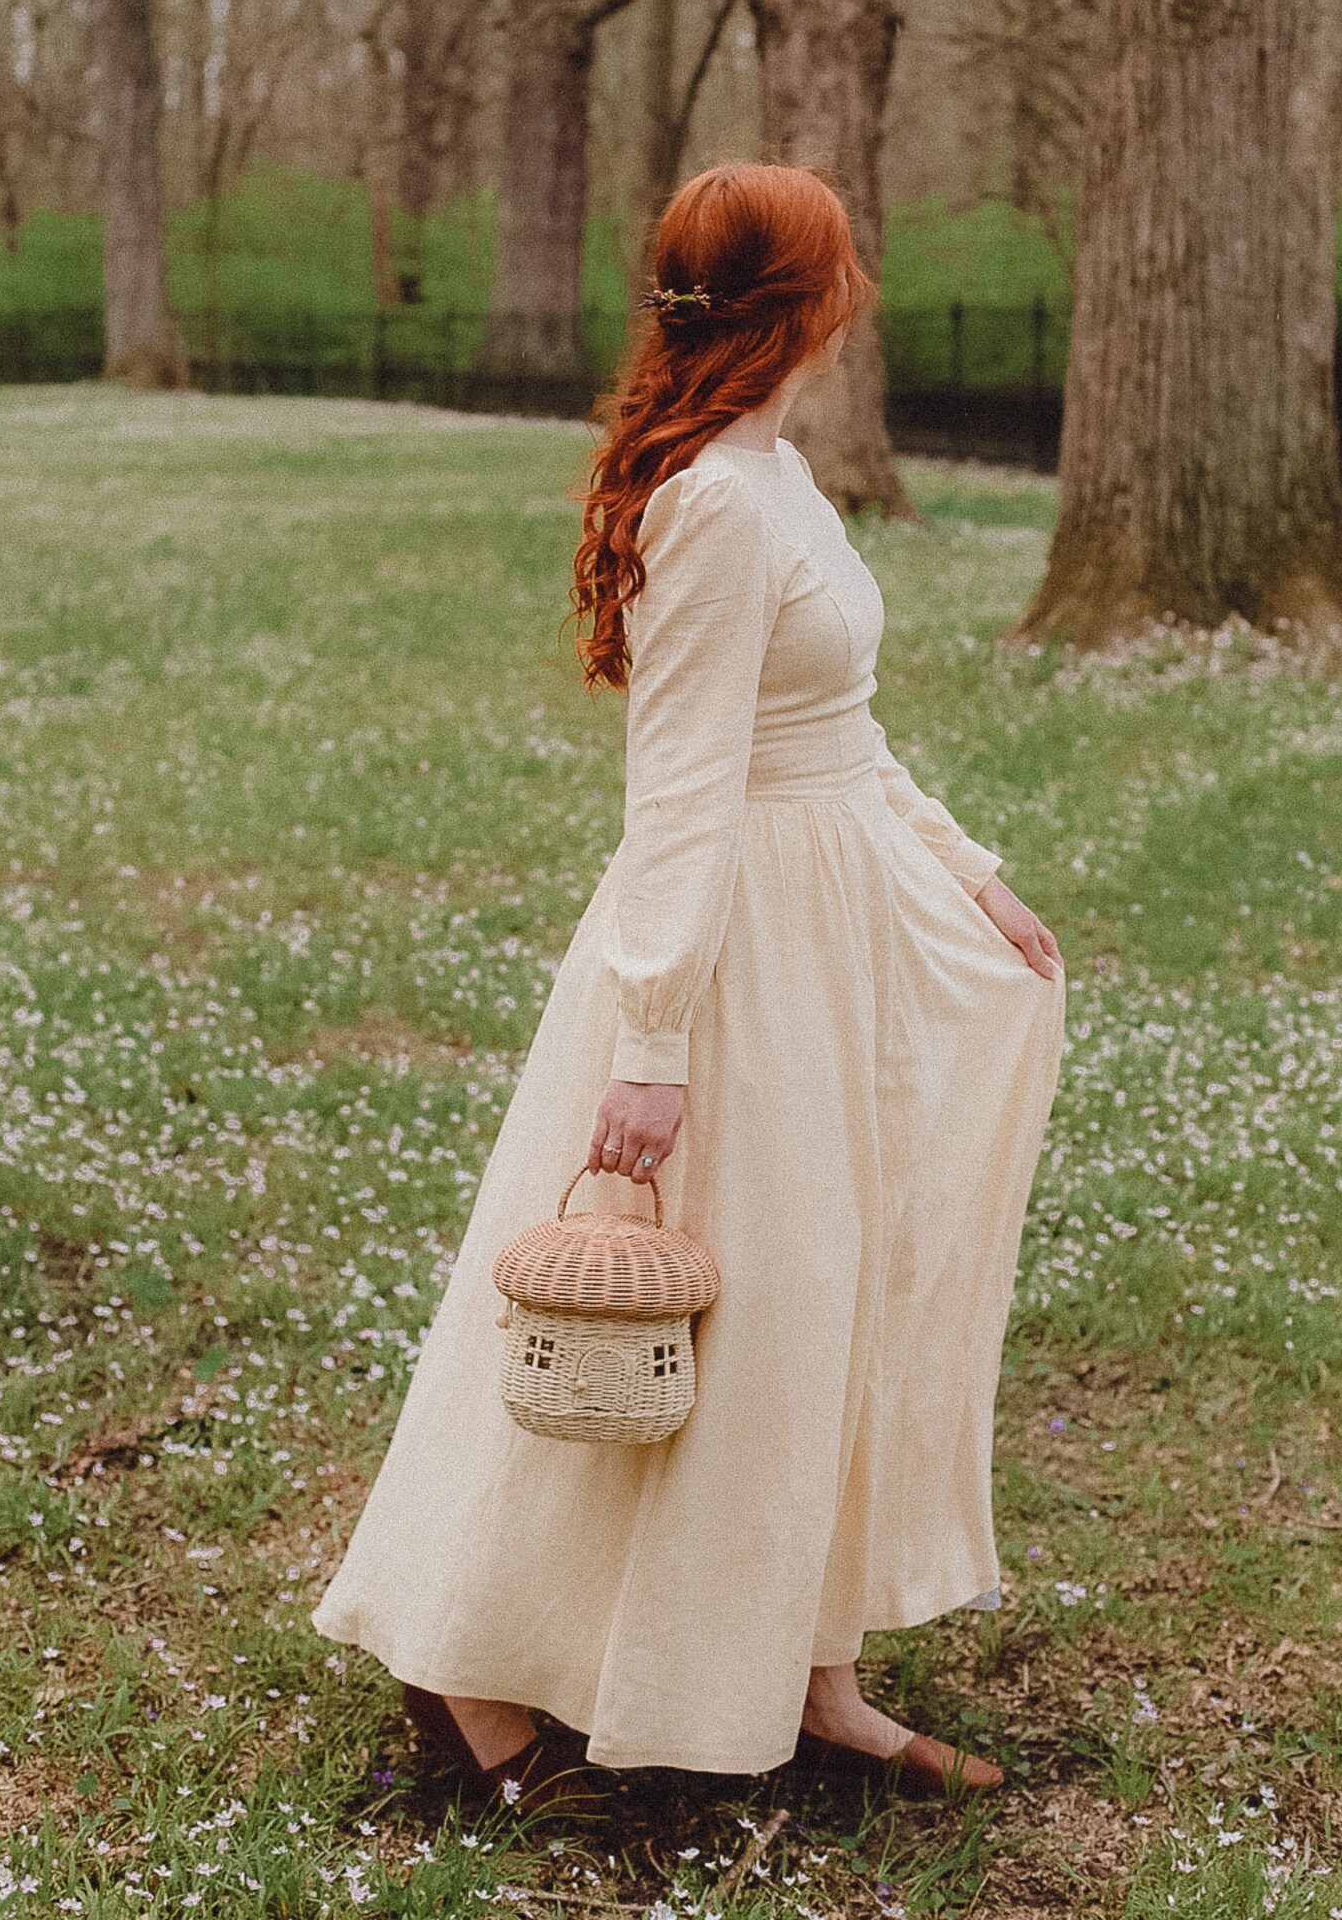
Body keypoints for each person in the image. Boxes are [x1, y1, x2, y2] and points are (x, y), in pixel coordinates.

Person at [311, 161, 1065, 1805]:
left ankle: (812, 1672)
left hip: (829, 927)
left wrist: (969, 869)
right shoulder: (715, 505)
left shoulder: (777, 474)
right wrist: (650, 1038)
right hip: (728, 956)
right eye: (842, 267)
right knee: (647, 1320)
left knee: (815, 1307)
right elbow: (682, 789)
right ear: (809, 302)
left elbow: (840, 735)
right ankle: (469, 1672)